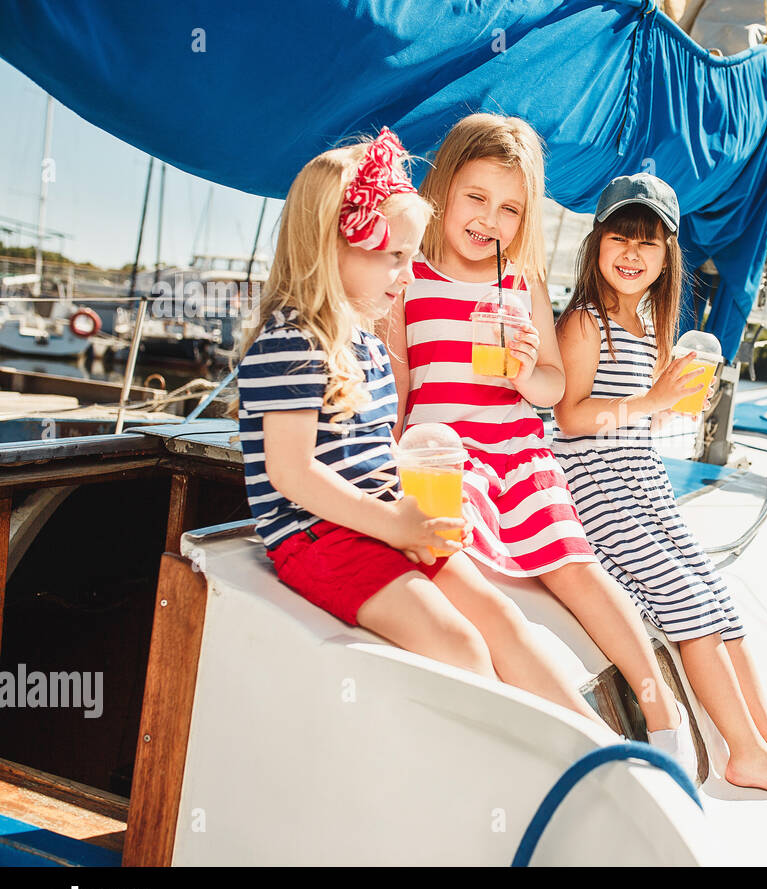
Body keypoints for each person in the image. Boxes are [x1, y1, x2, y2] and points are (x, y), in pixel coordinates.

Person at [236, 128, 602, 725]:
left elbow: (380, 453)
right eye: (395, 258)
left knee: (504, 619)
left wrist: (411, 515)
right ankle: (509, 767)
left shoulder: (372, 350)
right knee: (458, 644)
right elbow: (292, 474)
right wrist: (395, 523)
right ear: (332, 245)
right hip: (319, 539)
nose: (408, 276)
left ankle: (598, 751)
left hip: (383, 523)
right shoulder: (290, 344)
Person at [381, 115, 695, 763]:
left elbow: (553, 386)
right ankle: (556, 721)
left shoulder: (520, 287)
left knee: (578, 569)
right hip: (449, 454)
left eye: (510, 209)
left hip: (518, 453)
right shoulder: (408, 283)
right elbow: (399, 387)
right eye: (476, 199)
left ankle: (662, 713)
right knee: (465, 567)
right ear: (443, 191)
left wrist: (527, 370)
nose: (489, 220)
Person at [552, 173, 767, 795]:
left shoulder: (650, 322)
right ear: (596, 243)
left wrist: (671, 405)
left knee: (719, 601)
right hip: (598, 489)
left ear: (667, 255)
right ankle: (745, 753)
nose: (631, 253)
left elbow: (642, 409)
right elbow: (570, 416)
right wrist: (650, 398)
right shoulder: (586, 322)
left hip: (641, 480)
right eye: (619, 238)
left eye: (648, 244)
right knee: (686, 604)